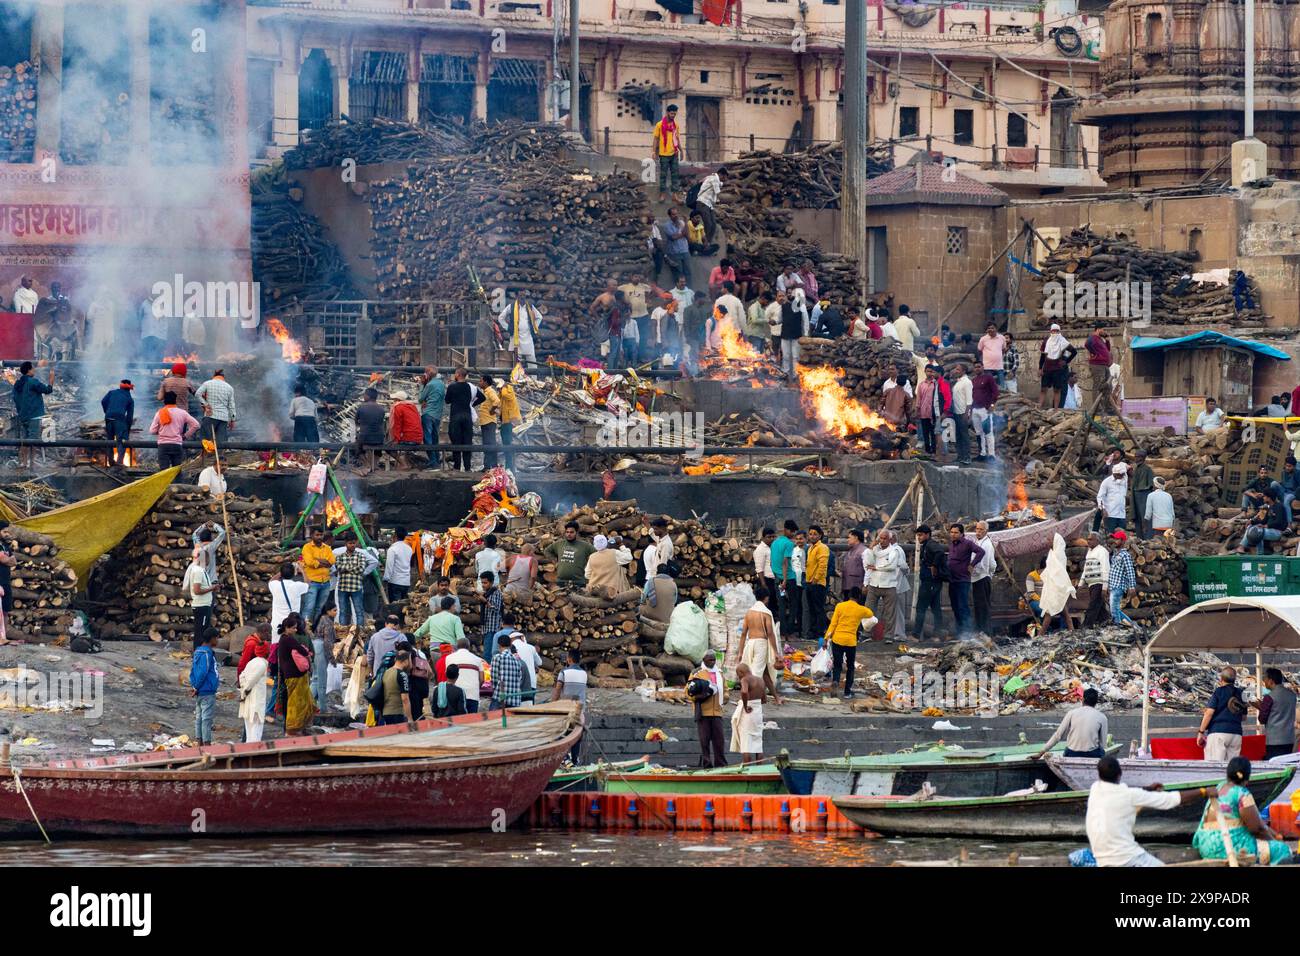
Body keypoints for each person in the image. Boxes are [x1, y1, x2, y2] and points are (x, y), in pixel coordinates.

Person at [1086, 756, 1207, 867]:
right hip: (1126, 857)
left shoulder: (1095, 788)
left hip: (1102, 860)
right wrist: (1203, 791)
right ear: (1120, 774)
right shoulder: (1129, 795)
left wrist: (1148, 789)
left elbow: (1124, 792)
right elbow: (1170, 799)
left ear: (1099, 775)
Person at [1193, 757, 1292, 865]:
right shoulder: (1242, 794)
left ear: (1227, 774)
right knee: (1282, 850)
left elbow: (1259, 824)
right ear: (1247, 778)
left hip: (1205, 846)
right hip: (1227, 848)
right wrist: (1274, 840)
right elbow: (1256, 829)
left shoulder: (1220, 787)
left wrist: (1274, 834)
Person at [824, 587, 875, 698]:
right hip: (851, 642)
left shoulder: (840, 606)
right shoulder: (861, 609)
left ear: (849, 595)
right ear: (859, 597)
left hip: (837, 639)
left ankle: (836, 680)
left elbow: (833, 624)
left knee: (837, 665)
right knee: (850, 666)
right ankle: (847, 692)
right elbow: (871, 613)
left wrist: (826, 639)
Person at [1033, 688, 1109, 759]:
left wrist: (1041, 753)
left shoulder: (1072, 713)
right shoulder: (1102, 717)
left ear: (1082, 700)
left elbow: (1058, 735)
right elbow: (1103, 744)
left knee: (1068, 749)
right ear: (1096, 702)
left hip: (1072, 753)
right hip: (1091, 754)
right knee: (1101, 751)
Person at [738, 585, 782, 705]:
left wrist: (740, 651)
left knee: (764, 673)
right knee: (756, 674)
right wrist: (776, 652)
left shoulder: (749, 613)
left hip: (750, 643)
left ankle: (774, 698)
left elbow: (743, 634)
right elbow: (770, 633)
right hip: (761, 644)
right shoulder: (766, 613)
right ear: (766, 598)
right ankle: (752, 700)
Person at [277, 613, 317, 735]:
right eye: (293, 628)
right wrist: (307, 653)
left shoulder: (283, 639)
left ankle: (293, 728)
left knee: (294, 701)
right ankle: (292, 729)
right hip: (295, 674)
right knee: (296, 703)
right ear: (287, 628)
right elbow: (303, 650)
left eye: (295, 627)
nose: (295, 630)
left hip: (287, 674)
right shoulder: (289, 639)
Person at [1197, 666, 1246, 761]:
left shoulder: (1219, 692)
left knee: (1214, 767)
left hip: (1218, 733)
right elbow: (1244, 717)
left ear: (1221, 679)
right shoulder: (1241, 693)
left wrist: (1201, 732)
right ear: (1234, 679)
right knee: (1231, 768)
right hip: (1236, 734)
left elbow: (1209, 713)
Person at [688, 651, 726, 768]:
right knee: (704, 740)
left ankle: (720, 764)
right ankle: (707, 764)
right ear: (704, 660)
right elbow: (688, 691)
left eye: (714, 660)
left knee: (719, 740)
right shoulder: (697, 673)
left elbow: (725, 689)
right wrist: (699, 696)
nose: (713, 662)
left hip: (717, 711)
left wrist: (726, 696)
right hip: (703, 711)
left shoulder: (719, 673)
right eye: (710, 660)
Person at [945, 524, 985, 637]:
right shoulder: (951, 544)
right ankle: (960, 633)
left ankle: (968, 633)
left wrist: (972, 565)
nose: (953, 534)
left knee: (963, 607)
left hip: (962, 580)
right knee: (955, 607)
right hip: (952, 580)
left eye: (956, 532)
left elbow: (981, 552)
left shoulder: (967, 543)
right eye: (951, 532)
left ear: (962, 534)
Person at [13, 361, 53, 469]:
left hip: (23, 416)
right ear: (29, 370)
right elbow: (48, 390)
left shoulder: (17, 384)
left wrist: (21, 411)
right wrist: (51, 378)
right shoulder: (32, 382)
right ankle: (32, 464)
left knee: (25, 440)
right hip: (34, 416)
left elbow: (16, 399)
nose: (34, 370)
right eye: (33, 368)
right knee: (33, 440)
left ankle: (23, 463)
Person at [863, 530, 902, 642]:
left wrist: (877, 567)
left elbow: (891, 566)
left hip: (889, 585)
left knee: (889, 613)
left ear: (890, 539)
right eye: (881, 538)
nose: (882, 540)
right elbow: (868, 562)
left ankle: (889, 636)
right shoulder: (875, 549)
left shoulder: (894, 550)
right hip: (874, 583)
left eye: (885, 538)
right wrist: (870, 548)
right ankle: (866, 634)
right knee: (868, 610)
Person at [186, 627, 221, 745]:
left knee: (199, 718)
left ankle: (199, 742)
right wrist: (196, 687)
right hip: (207, 690)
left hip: (200, 690)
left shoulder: (198, 652)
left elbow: (193, 671)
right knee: (206, 719)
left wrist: (194, 686)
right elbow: (202, 672)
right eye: (217, 638)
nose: (218, 640)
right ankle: (206, 744)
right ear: (212, 639)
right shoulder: (207, 653)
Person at [912, 525, 947, 640]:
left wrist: (934, 566)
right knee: (936, 608)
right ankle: (938, 633)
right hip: (932, 582)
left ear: (927, 534)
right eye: (917, 535)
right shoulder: (926, 545)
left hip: (930, 583)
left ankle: (916, 635)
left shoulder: (931, 544)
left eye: (920, 535)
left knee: (921, 608)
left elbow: (940, 552)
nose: (919, 537)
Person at [730, 662, 767, 764]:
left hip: (749, 712)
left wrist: (745, 706)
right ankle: (760, 770)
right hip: (758, 712)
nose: (738, 677)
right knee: (758, 744)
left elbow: (744, 692)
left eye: (738, 674)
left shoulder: (745, 679)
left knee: (746, 743)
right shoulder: (760, 680)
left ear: (742, 672)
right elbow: (764, 699)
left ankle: (747, 769)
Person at [1256, 668, 1296, 758]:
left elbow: (1262, 719)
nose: (1264, 681)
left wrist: (1259, 707)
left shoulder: (1269, 697)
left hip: (1274, 740)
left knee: (1275, 765)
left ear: (1271, 680)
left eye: (1265, 678)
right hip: (1289, 738)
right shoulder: (1292, 695)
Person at [300, 528, 334, 631]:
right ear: (312, 536)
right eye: (317, 535)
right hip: (312, 582)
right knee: (309, 608)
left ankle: (314, 630)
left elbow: (331, 561)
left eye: (321, 535)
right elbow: (309, 562)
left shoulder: (327, 548)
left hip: (325, 582)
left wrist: (317, 561)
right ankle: (304, 630)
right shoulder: (307, 547)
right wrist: (323, 562)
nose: (319, 537)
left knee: (319, 608)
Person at [915, 364, 952, 458]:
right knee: (933, 432)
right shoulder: (935, 383)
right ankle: (935, 453)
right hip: (931, 412)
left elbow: (948, 399)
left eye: (934, 372)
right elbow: (923, 399)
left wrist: (945, 412)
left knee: (938, 433)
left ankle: (941, 454)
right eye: (930, 371)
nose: (932, 374)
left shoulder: (942, 383)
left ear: (938, 373)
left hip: (939, 413)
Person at [182, 551, 217, 648]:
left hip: (204, 605)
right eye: (207, 558)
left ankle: (199, 651)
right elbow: (197, 590)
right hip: (201, 605)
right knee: (201, 631)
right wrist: (211, 588)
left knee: (202, 629)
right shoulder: (198, 571)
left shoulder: (202, 571)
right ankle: (199, 652)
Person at [333, 537, 369, 629]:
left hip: (356, 588)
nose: (352, 545)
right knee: (343, 611)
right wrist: (353, 568)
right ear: (345, 543)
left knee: (359, 611)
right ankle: (342, 632)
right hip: (343, 588)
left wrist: (345, 568)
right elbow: (338, 567)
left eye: (354, 543)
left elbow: (361, 569)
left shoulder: (361, 555)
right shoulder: (340, 557)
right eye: (350, 543)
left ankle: (360, 632)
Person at [238, 638, 269, 743]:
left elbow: (242, 676)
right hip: (255, 701)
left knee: (249, 730)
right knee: (256, 733)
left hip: (248, 700)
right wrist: (245, 689)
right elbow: (251, 681)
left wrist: (243, 689)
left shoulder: (252, 662)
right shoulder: (262, 664)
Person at [1237, 488, 1287, 554]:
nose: (1263, 498)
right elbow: (1263, 520)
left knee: (1258, 531)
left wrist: (1266, 526)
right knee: (1251, 527)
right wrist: (1251, 522)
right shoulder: (1269, 507)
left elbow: (1279, 521)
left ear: (1269, 498)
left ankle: (1259, 553)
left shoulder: (1279, 506)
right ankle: (1241, 547)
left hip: (1277, 532)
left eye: (1264, 496)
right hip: (1268, 530)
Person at [546, 521, 596, 588]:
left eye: (572, 532)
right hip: (561, 581)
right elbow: (547, 551)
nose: (569, 534)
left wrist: (589, 566)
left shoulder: (585, 546)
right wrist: (555, 561)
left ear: (576, 533)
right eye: (567, 532)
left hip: (579, 582)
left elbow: (597, 555)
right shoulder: (559, 544)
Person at [1077, 531, 1111, 627]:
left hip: (1099, 583)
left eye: (1091, 539)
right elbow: (1086, 569)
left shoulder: (1102, 551)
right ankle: (1106, 621)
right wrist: (1080, 583)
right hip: (1091, 583)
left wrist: (1104, 587)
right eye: (1088, 539)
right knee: (1099, 606)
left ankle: (1086, 626)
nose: (1088, 541)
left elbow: (1105, 569)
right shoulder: (1089, 552)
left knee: (1093, 605)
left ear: (1097, 540)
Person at [269, 561, 309, 643]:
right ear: (294, 574)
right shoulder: (297, 586)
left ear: (281, 573)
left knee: (276, 647)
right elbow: (308, 583)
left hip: (277, 623)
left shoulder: (275, 585)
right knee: (291, 649)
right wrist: (302, 570)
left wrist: (282, 572)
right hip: (292, 625)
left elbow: (271, 580)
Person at [99, 379, 135, 469]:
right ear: (129, 389)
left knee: (110, 440)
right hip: (119, 419)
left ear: (120, 386)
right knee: (122, 440)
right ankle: (119, 463)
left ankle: (110, 462)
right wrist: (128, 428)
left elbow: (103, 401)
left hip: (108, 418)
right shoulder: (129, 399)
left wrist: (107, 412)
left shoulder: (111, 392)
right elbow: (130, 416)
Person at [195, 369, 236, 447]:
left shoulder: (207, 383)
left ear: (214, 376)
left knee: (206, 440)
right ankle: (219, 456)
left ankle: (206, 456)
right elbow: (232, 406)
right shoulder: (229, 387)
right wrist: (232, 420)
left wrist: (206, 404)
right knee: (220, 442)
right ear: (223, 377)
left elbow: (197, 394)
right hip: (223, 418)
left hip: (210, 416)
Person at [770, 521, 797, 636]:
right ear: (786, 530)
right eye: (792, 531)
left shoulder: (774, 543)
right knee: (792, 604)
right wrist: (785, 580)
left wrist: (779, 578)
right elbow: (785, 562)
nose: (793, 534)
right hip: (789, 579)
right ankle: (790, 630)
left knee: (781, 604)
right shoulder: (789, 544)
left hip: (778, 579)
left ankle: (782, 630)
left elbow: (772, 563)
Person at [652, 103, 684, 202]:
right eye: (671, 114)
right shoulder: (660, 125)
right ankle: (662, 194)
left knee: (675, 175)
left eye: (674, 114)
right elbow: (656, 139)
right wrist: (653, 151)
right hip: (663, 154)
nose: (673, 115)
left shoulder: (676, 126)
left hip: (674, 153)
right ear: (667, 113)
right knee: (663, 175)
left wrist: (681, 150)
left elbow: (677, 138)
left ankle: (675, 195)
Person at [803, 525, 830, 639]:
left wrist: (816, 579)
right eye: (810, 534)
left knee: (819, 609)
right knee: (812, 609)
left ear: (820, 535)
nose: (812, 536)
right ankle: (813, 631)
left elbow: (822, 565)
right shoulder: (810, 548)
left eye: (815, 534)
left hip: (817, 583)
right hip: (809, 582)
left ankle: (820, 632)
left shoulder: (822, 547)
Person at [969, 522, 996, 634]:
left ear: (986, 531)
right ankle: (980, 632)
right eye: (977, 529)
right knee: (979, 607)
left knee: (983, 607)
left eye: (981, 530)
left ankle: (985, 633)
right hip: (977, 578)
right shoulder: (978, 542)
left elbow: (986, 563)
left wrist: (973, 571)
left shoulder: (987, 544)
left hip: (982, 577)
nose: (978, 532)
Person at [497, 299, 542, 367]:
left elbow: (539, 317)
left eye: (523, 296)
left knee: (532, 360)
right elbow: (500, 318)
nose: (522, 298)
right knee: (516, 361)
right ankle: (516, 377)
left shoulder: (530, 306)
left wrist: (534, 327)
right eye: (520, 296)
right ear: (517, 296)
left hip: (528, 337)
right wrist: (508, 328)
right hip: (516, 338)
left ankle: (534, 377)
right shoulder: (511, 306)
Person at [445, 638, 486, 713]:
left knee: (456, 720)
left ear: (457, 646)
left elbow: (448, 676)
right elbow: (482, 679)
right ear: (469, 647)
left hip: (454, 693)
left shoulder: (448, 658)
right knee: (471, 721)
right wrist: (476, 687)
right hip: (472, 694)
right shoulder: (478, 659)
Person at [445, 368, 474, 471]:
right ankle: (467, 468)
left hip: (456, 416)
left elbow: (447, 400)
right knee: (467, 441)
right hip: (467, 416)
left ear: (457, 374)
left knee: (456, 441)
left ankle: (457, 467)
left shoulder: (452, 386)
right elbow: (476, 397)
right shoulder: (469, 386)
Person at [1107, 530, 1137, 627]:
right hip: (1113, 585)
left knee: (1113, 610)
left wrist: (1132, 587)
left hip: (1119, 586)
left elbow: (1130, 571)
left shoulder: (1125, 555)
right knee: (1116, 610)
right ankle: (1134, 627)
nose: (1115, 541)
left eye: (1117, 539)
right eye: (1114, 538)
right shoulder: (1115, 554)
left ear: (1123, 541)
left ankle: (1117, 629)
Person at [970, 364, 999, 462]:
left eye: (979, 366)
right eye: (975, 367)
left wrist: (992, 405)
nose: (977, 368)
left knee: (988, 432)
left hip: (985, 409)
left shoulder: (988, 378)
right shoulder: (973, 380)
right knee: (979, 433)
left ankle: (991, 455)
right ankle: (982, 453)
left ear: (983, 367)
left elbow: (995, 392)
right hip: (975, 409)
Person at [354, 387, 386, 474]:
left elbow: (356, 421)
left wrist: (362, 426)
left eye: (364, 395)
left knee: (357, 448)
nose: (364, 396)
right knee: (378, 447)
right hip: (379, 438)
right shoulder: (381, 409)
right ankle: (374, 465)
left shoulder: (361, 408)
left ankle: (367, 464)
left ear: (368, 396)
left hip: (365, 437)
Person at [1039, 323, 1071, 409]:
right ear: (1050, 331)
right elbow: (1042, 356)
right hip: (1047, 369)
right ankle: (1038, 407)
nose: (1055, 333)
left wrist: (1065, 361)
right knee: (1043, 389)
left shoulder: (1062, 341)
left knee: (1057, 390)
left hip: (1058, 370)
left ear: (1059, 332)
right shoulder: (1046, 342)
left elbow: (1070, 353)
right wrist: (1040, 368)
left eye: (1057, 331)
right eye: (1053, 331)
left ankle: (1056, 410)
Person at [312, 602, 338, 709]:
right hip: (321, 647)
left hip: (315, 646)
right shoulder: (327, 622)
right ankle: (322, 707)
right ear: (328, 611)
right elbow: (327, 642)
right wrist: (332, 658)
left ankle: (308, 703)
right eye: (334, 610)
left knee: (315, 678)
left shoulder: (321, 619)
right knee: (322, 680)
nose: (336, 613)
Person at [418, 367, 445, 467]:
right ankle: (436, 461)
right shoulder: (441, 384)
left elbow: (420, 399)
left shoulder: (429, 385)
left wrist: (422, 385)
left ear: (428, 374)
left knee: (427, 438)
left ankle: (433, 461)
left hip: (428, 414)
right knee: (435, 438)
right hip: (437, 415)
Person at [489, 633, 523, 710]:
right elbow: (520, 679)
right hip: (515, 699)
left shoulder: (497, 657)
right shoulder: (517, 660)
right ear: (510, 644)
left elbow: (494, 678)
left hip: (500, 697)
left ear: (499, 645)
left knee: (493, 720)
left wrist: (494, 691)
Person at [366, 612, 406, 677]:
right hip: (395, 675)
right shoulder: (401, 637)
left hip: (378, 673)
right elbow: (405, 656)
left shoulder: (374, 637)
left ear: (385, 624)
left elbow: (370, 656)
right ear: (397, 625)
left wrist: (371, 670)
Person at [380, 649, 414, 725]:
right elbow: (405, 699)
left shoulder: (386, 672)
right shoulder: (402, 675)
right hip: (397, 712)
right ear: (405, 661)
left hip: (386, 712)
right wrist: (409, 718)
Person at [475, 375, 501, 469]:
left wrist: (492, 410)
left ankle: (492, 466)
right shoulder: (485, 391)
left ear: (485, 382)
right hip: (485, 422)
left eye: (481, 381)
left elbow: (497, 401)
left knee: (490, 444)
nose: (479, 382)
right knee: (487, 444)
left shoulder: (490, 391)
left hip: (489, 422)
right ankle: (488, 466)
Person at [1084, 324, 1113, 410]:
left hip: (1104, 365)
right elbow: (1087, 344)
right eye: (1103, 329)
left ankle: (1107, 406)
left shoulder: (1100, 339)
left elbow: (1107, 350)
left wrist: (1107, 341)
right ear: (1098, 329)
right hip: (1097, 365)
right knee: (1098, 385)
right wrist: (1094, 354)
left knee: (1108, 385)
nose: (1104, 331)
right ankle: (1097, 407)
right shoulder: (1093, 338)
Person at [949, 363, 973, 466]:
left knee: (964, 436)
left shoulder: (967, 382)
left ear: (963, 371)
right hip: (956, 412)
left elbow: (969, 400)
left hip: (963, 413)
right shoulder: (958, 382)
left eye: (958, 369)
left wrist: (967, 414)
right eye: (955, 369)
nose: (955, 371)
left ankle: (967, 457)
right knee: (958, 436)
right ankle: (960, 456)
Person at [1096, 462, 1129, 533]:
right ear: (1115, 474)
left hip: (1121, 514)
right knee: (1110, 535)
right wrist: (1103, 509)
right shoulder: (1106, 482)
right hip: (1110, 514)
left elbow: (1123, 465)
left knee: (1121, 535)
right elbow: (1100, 497)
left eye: (1123, 474)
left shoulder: (1124, 479)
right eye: (1120, 475)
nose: (1122, 476)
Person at [778, 288, 803, 378]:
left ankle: (795, 373)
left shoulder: (800, 306)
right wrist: (774, 321)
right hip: (785, 334)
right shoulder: (783, 306)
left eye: (791, 293)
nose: (790, 295)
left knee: (795, 356)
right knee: (785, 355)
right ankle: (786, 372)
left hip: (796, 334)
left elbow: (804, 320)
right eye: (788, 293)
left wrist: (805, 333)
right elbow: (779, 319)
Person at [383, 529, 414, 603]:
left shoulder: (392, 549)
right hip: (406, 582)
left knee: (395, 606)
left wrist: (385, 579)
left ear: (395, 536)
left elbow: (389, 566)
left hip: (395, 582)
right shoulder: (409, 549)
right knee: (403, 605)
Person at [1129, 450, 1154, 539]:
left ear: (1143, 458)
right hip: (1135, 495)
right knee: (1137, 516)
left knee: (1146, 517)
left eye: (1138, 456)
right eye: (1135, 456)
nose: (1136, 458)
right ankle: (1140, 537)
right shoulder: (1136, 469)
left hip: (1144, 495)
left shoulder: (1147, 469)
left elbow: (1151, 484)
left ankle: (1148, 538)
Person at [479, 571, 503, 653]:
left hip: (492, 628)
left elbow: (496, 608)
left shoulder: (496, 592)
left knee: (488, 653)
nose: (483, 585)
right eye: (482, 582)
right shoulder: (487, 593)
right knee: (487, 651)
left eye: (485, 583)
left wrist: (485, 601)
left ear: (491, 582)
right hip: (486, 628)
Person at [841, 529, 866, 601]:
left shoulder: (864, 551)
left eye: (849, 537)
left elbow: (868, 570)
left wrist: (865, 585)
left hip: (858, 588)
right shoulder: (850, 551)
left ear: (856, 538)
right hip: (847, 586)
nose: (847, 540)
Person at [753, 527, 774, 599]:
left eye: (773, 537)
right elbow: (759, 568)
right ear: (763, 537)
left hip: (775, 579)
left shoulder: (772, 547)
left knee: (776, 600)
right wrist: (763, 584)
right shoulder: (760, 549)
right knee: (769, 602)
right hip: (766, 580)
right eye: (769, 537)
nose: (771, 539)